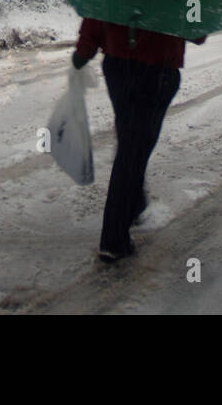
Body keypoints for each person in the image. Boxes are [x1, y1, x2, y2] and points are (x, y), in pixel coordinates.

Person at [71, 17, 206, 262]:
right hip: (158, 69)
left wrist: (84, 50)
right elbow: (197, 33)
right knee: (134, 148)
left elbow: (99, 10)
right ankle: (113, 239)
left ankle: (133, 204)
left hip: (118, 66)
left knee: (130, 140)